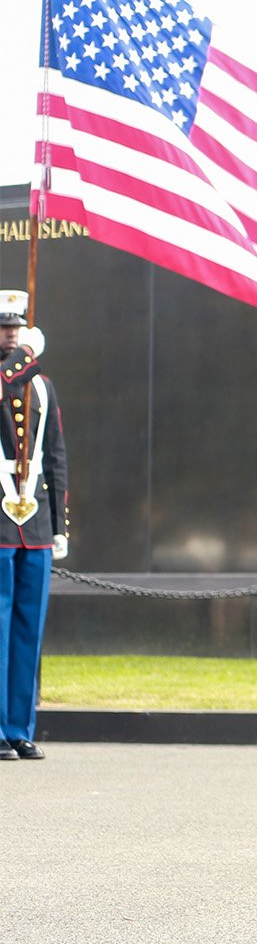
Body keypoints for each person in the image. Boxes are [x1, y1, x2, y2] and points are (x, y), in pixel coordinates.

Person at [0, 291, 66, 764]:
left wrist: (60, 524)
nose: (10, 333)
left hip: (35, 522)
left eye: (16, 326)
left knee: (28, 629)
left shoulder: (43, 385)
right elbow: (7, 379)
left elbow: (56, 456)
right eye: (4, 327)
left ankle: (19, 728)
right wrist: (23, 355)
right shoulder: (9, 375)